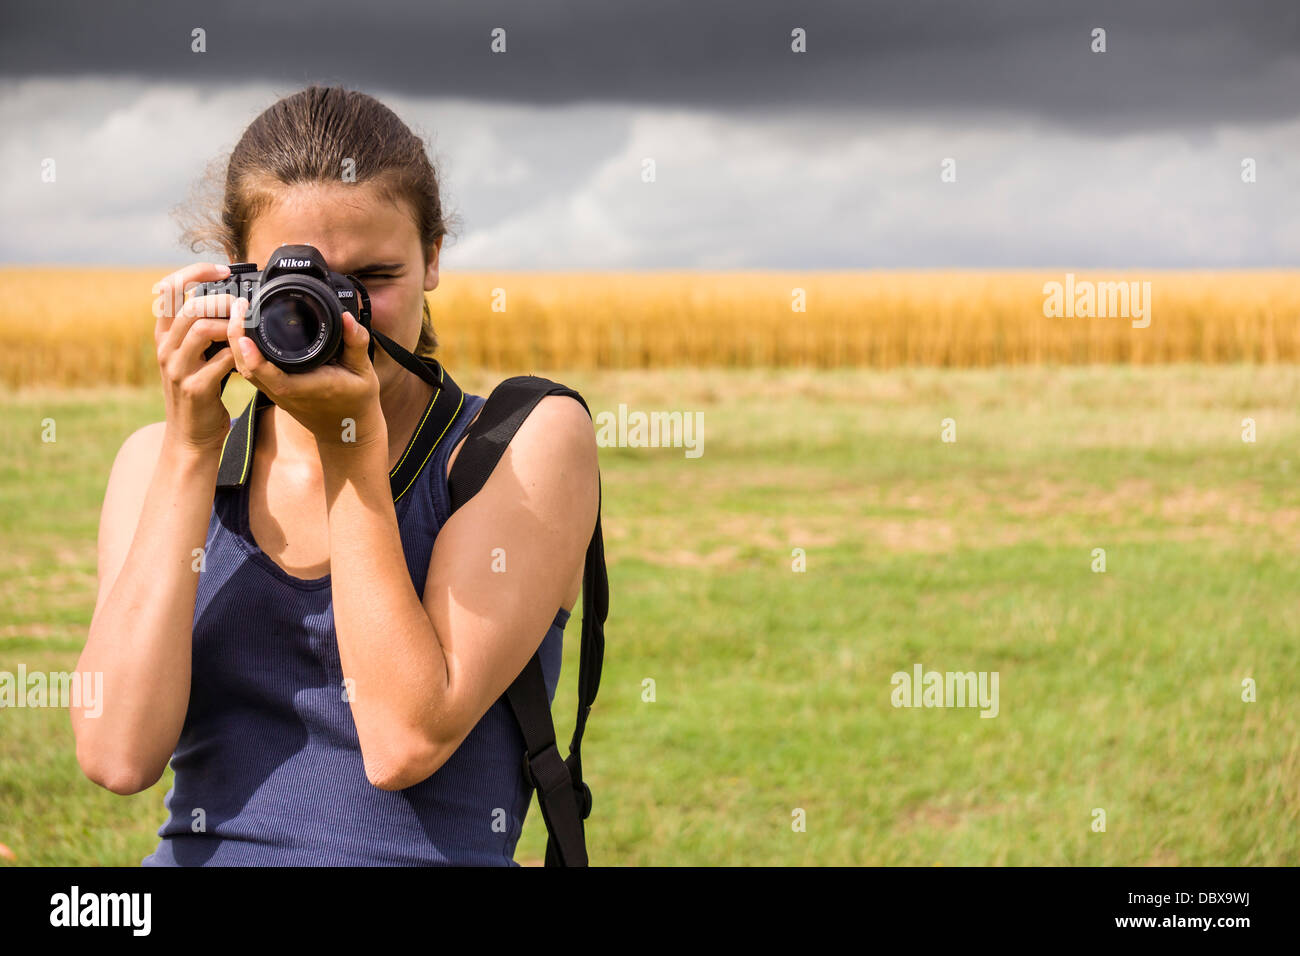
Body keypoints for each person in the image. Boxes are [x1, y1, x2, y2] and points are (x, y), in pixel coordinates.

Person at [70, 85, 601, 865]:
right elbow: (117, 756)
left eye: (372, 280)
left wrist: (351, 451)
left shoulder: (517, 445)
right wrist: (190, 451)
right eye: (301, 289)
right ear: (235, 282)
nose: (341, 317)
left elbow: (402, 741)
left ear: (435, 259)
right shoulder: (159, 459)